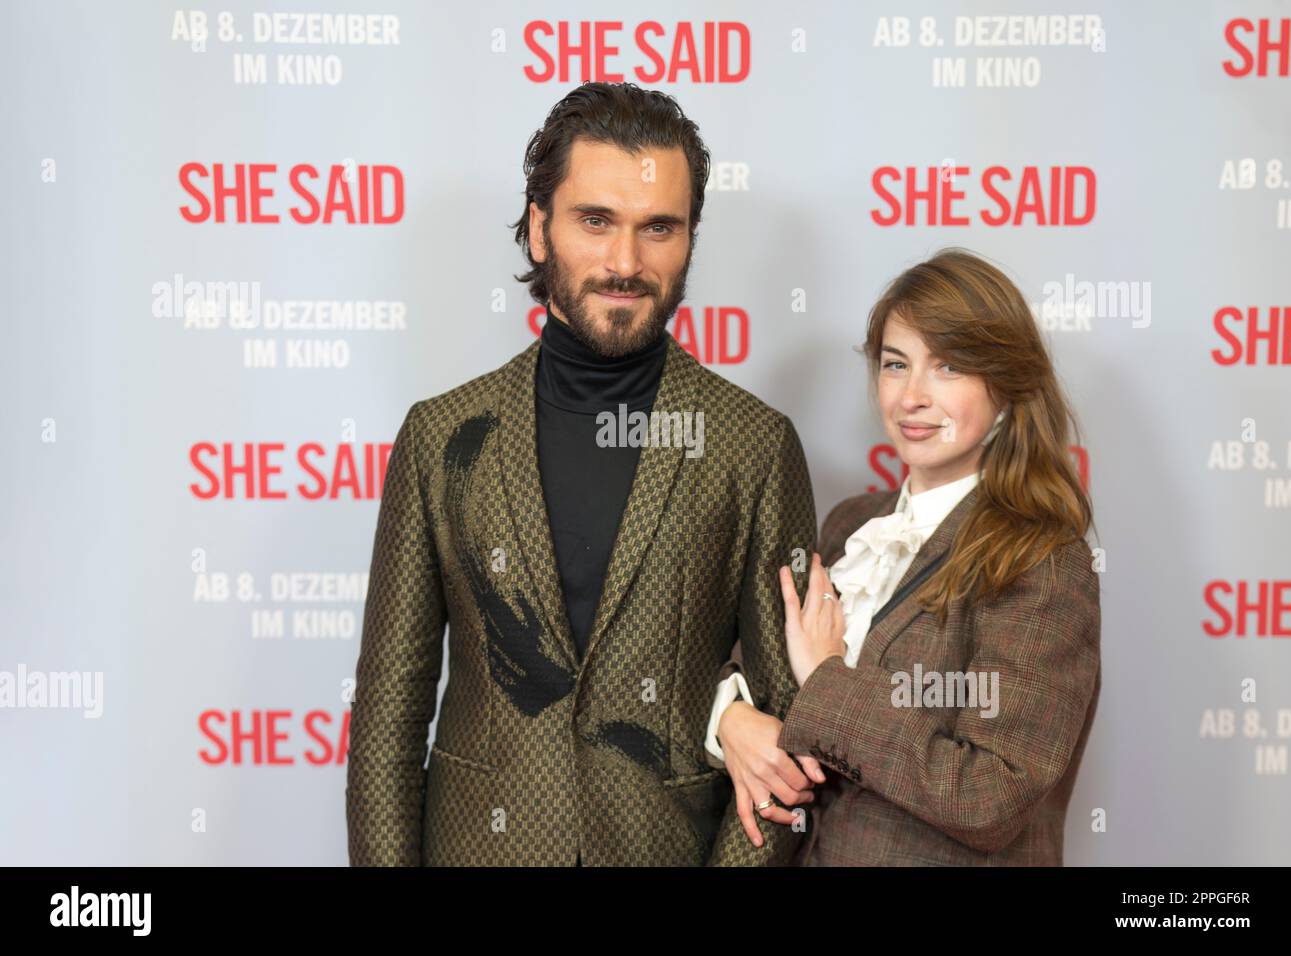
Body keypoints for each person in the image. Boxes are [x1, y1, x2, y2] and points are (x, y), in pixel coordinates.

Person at [346, 82, 817, 866]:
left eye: (657, 227)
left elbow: (791, 719)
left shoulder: (753, 447)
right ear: (539, 229)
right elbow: (389, 723)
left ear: (691, 238)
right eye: (595, 220)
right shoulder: (440, 440)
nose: (624, 262)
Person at [711, 248, 1101, 865]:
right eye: (896, 365)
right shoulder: (851, 524)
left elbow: (991, 796)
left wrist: (827, 681)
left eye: (948, 367)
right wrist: (730, 721)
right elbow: (752, 666)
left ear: (1004, 386)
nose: (912, 396)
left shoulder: (1042, 559)